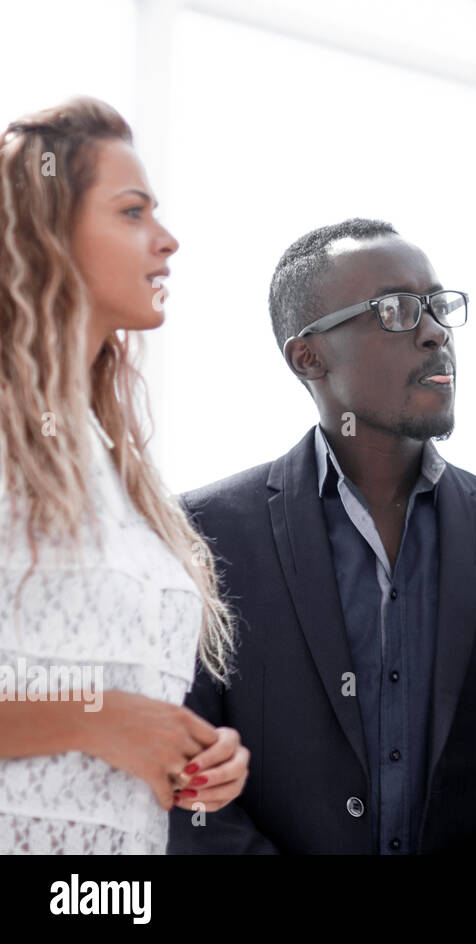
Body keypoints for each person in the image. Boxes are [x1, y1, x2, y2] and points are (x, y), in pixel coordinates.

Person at [167, 218, 476, 854]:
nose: (434, 331)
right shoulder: (201, 536)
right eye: (393, 310)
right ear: (306, 355)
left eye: (438, 306)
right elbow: (181, 790)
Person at [0, 97, 249, 854]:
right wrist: (98, 718)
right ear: (46, 231)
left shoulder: (114, 461)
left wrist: (196, 757)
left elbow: (128, 717)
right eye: (132, 212)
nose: (167, 241)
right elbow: (100, 718)